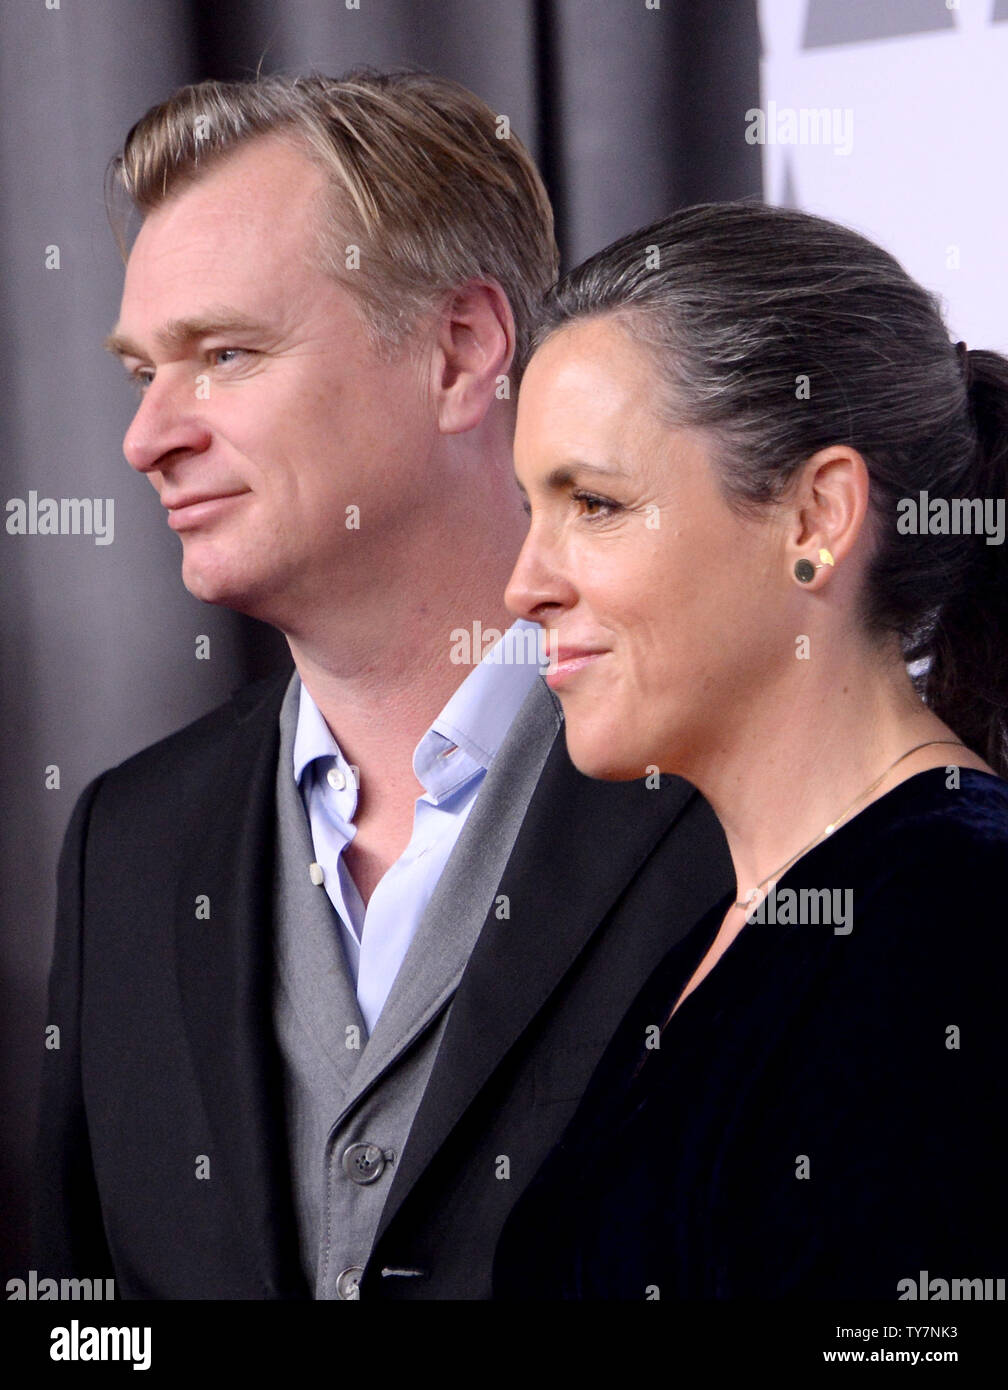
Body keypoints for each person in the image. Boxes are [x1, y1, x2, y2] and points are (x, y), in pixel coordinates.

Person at [31, 72, 733, 1300]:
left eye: (226, 354)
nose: (148, 437)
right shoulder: (127, 846)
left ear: (462, 352)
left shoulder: (746, 806)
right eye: (143, 372)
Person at [494, 201, 1008, 1299]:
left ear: (817, 516)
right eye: (534, 509)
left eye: (594, 502)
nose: (524, 583)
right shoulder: (730, 934)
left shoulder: (955, 925)